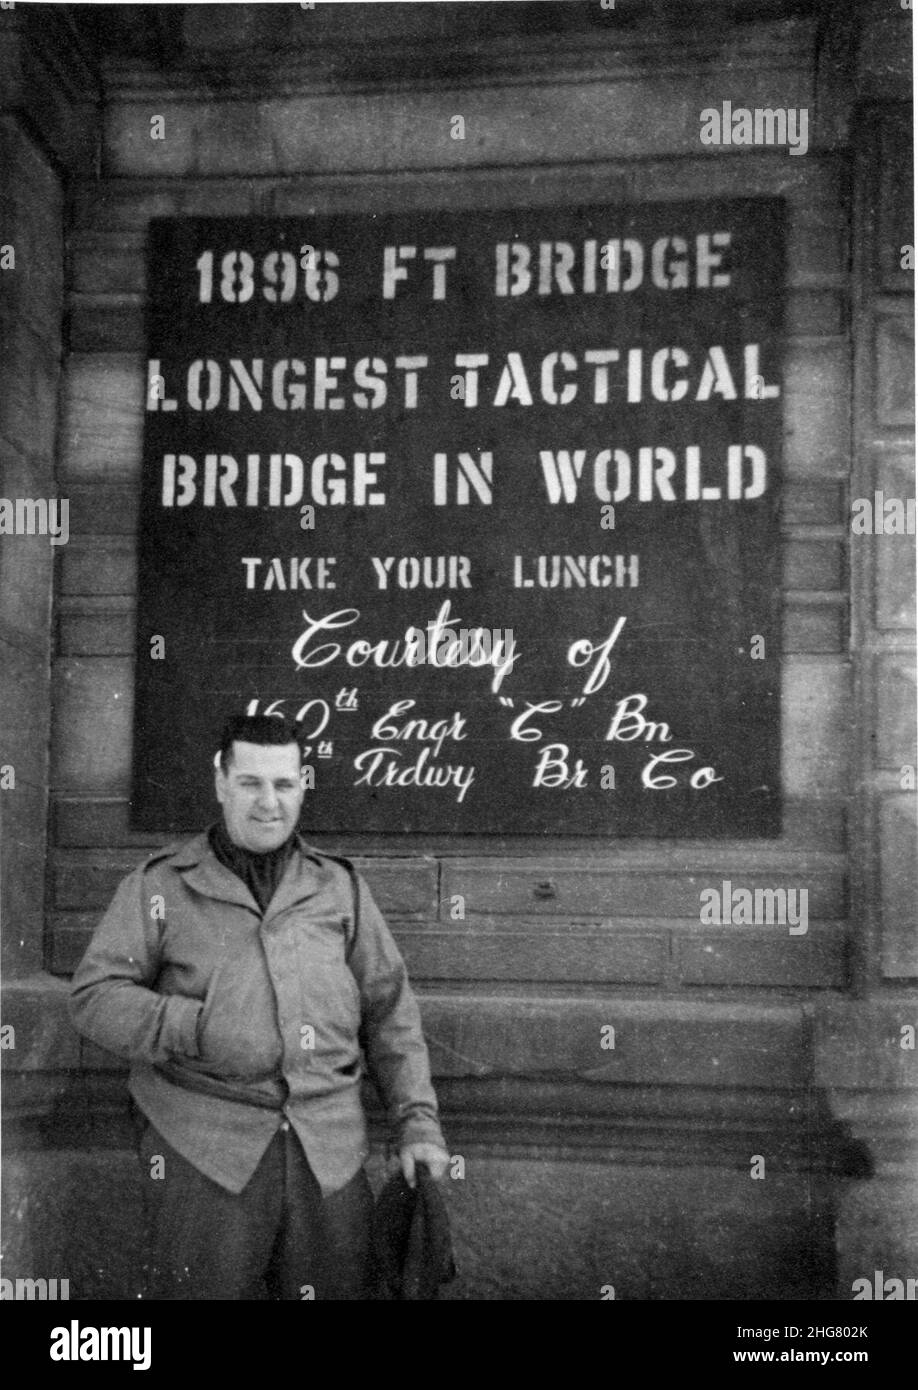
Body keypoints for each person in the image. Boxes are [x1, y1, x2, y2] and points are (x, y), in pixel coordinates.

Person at [69, 714, 449, 1300]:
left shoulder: (339, 888)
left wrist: (417, 1124)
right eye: (250, 783)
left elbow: (390, 1012)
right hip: (205, 1150)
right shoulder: (160, 886)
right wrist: (197, 1025)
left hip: (329, 1154)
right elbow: (95, 997)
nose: (269, 802)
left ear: (303, 784)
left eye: (284, 784)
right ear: (220, 781)